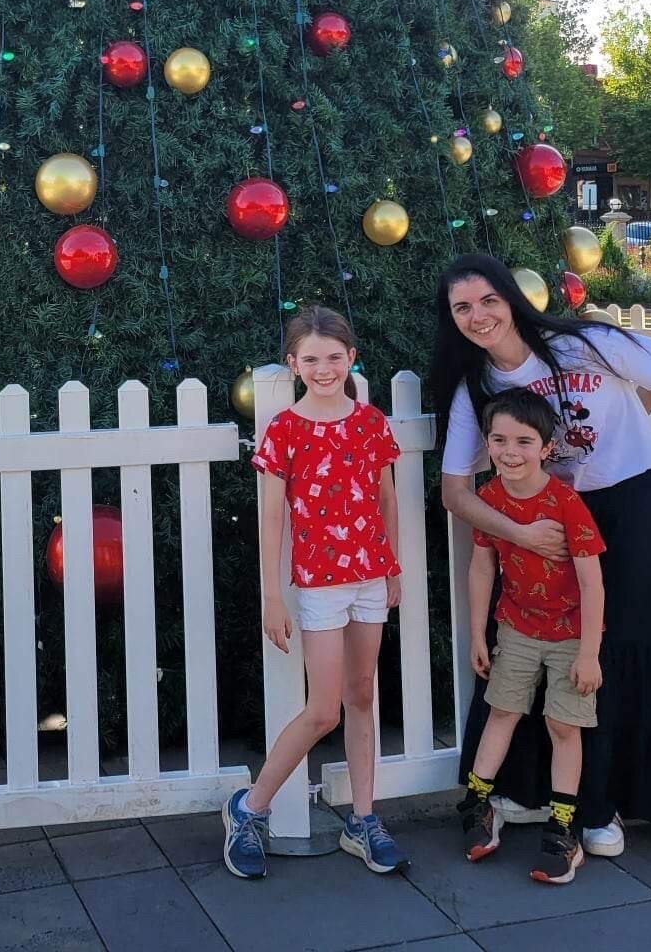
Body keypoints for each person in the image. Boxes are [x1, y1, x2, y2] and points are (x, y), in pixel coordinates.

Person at [432, 253, 651, 854]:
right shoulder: (478, 388)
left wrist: (625, 430)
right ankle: (545, 795)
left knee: (627, 641)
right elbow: (455, 491)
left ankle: (610, 806)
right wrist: (521, 533)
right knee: (552, 648)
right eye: (462, 308)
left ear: (511, 297)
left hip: (634, 498)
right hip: (551, 519)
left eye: (487, 301)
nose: (478, 317)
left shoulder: (588, 340)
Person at [221, 306, 407, 880]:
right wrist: (272, 597)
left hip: (370, 579)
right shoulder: (285, 431)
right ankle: (248, 809)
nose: (324, 368)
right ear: (293, 364)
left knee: (361, 696)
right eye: (311, 359)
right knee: (323, 707)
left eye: (334, 357)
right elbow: (271, 519)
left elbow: (387, 499)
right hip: (320, 586)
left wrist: (392, 568)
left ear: (351, 358)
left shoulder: (371, 422)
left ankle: (364, 818)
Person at [458, 389, 605, 884]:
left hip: (568, 633)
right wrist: (478, 633)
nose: (510, 451)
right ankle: (479, 805)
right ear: (487, 443)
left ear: (546, 447)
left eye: (524, 441)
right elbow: (482, 566)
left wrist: (589, 653)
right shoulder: (489, 499)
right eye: (499, 439)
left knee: (564, 727)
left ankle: (564, 831)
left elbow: (592, 581)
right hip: (516, 626)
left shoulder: (567, 504)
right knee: (502, 711)